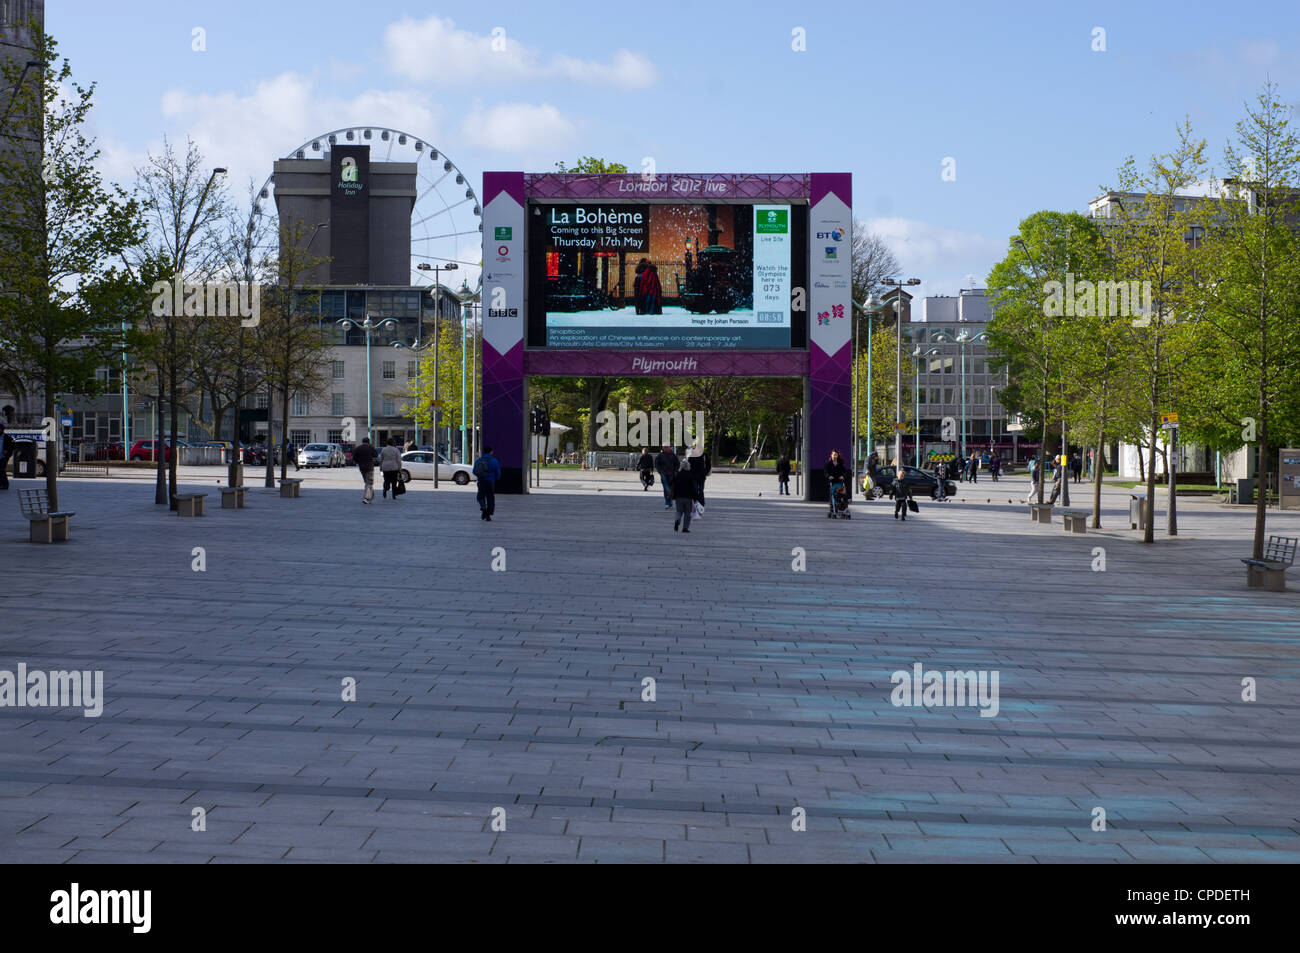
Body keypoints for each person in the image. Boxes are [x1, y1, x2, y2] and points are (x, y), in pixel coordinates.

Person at [473, 445, 501, 521]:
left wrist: (480, 476)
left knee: (480, 497)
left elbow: (474, 471)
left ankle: (483, 508)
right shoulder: (494, 461)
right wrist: (496, 478)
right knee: (490, 498)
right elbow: (498, 472)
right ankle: (488, 514)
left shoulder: (478, 460)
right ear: (491, 452)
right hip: (490, 481)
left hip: (481, 481)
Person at [671, 458, 699, 533]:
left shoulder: (677, 475)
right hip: (688, 497)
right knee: (687, 512)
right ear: (688, 466)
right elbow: (693, 487)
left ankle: (677, 520)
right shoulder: (690, 475)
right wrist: (695, 497)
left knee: (679, 511)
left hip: (679, 496)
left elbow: (673, 485)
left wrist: (674, 495)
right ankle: (685, 528)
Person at [353, 437, 378, 504]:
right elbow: (376, 455)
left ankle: (371, 495)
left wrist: (359, 462)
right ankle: (367, 498)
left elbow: (354, 458)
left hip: (362, 467)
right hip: (369, 467)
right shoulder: (370, 447)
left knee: (367, 482)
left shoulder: (358, 448)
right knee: (369, 482)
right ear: (368, 442)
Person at [687, 439, 711, 506]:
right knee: (695, 489)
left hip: (702, 476)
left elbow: (708, 465)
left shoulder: (704, 455)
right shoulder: (691, 455)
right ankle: (695, 501)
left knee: (701, 489)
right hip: (694, 476)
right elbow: (688, 465)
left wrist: (705, 472)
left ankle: (701, 502)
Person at [0, 422, 11, 490]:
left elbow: (11, 447)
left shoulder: (7, 438)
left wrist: (6, 451)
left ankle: (5, 484)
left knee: (2, 470)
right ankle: (1, 484)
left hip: (3, 457)